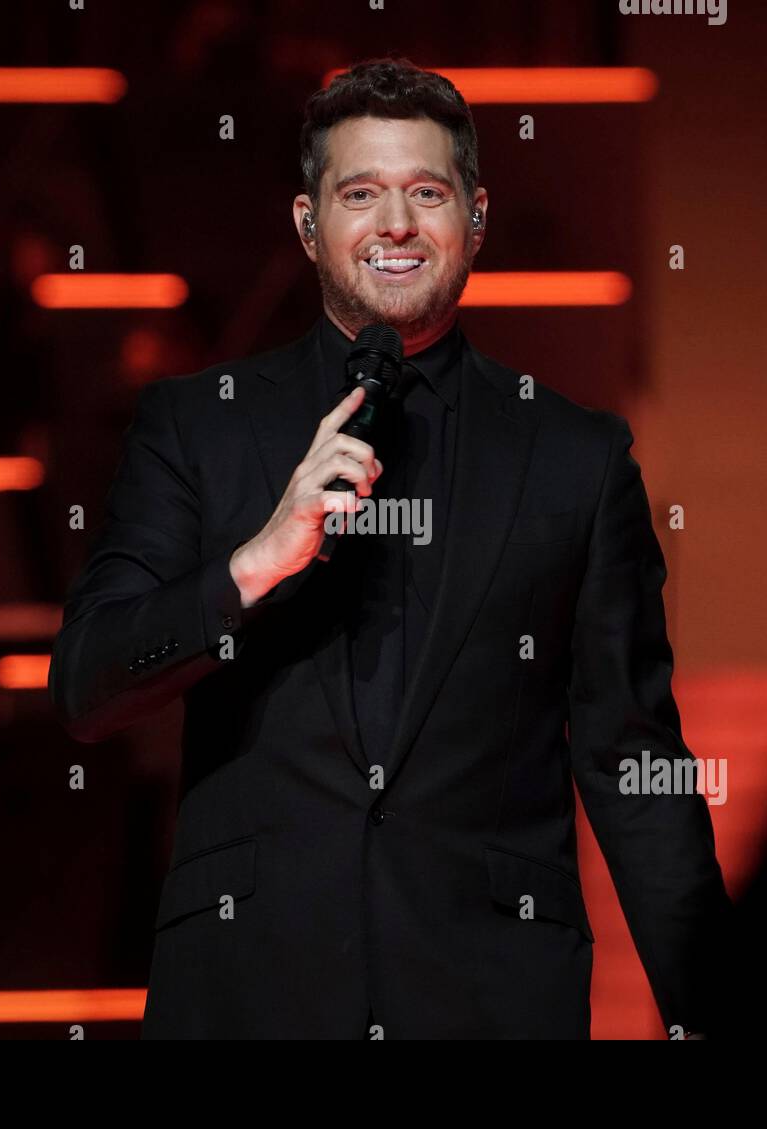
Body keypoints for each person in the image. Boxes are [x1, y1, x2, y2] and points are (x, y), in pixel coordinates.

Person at [49, 57, 732, 1039]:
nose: (397, 225)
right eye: (360, 193)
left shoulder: (576, 459)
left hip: (490, 999)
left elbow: (634, 767)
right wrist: (256, 562)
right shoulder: (199, 428)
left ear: (476, 217)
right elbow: (85, 686)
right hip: (249, 993)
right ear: (305, 223)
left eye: (427, 192)